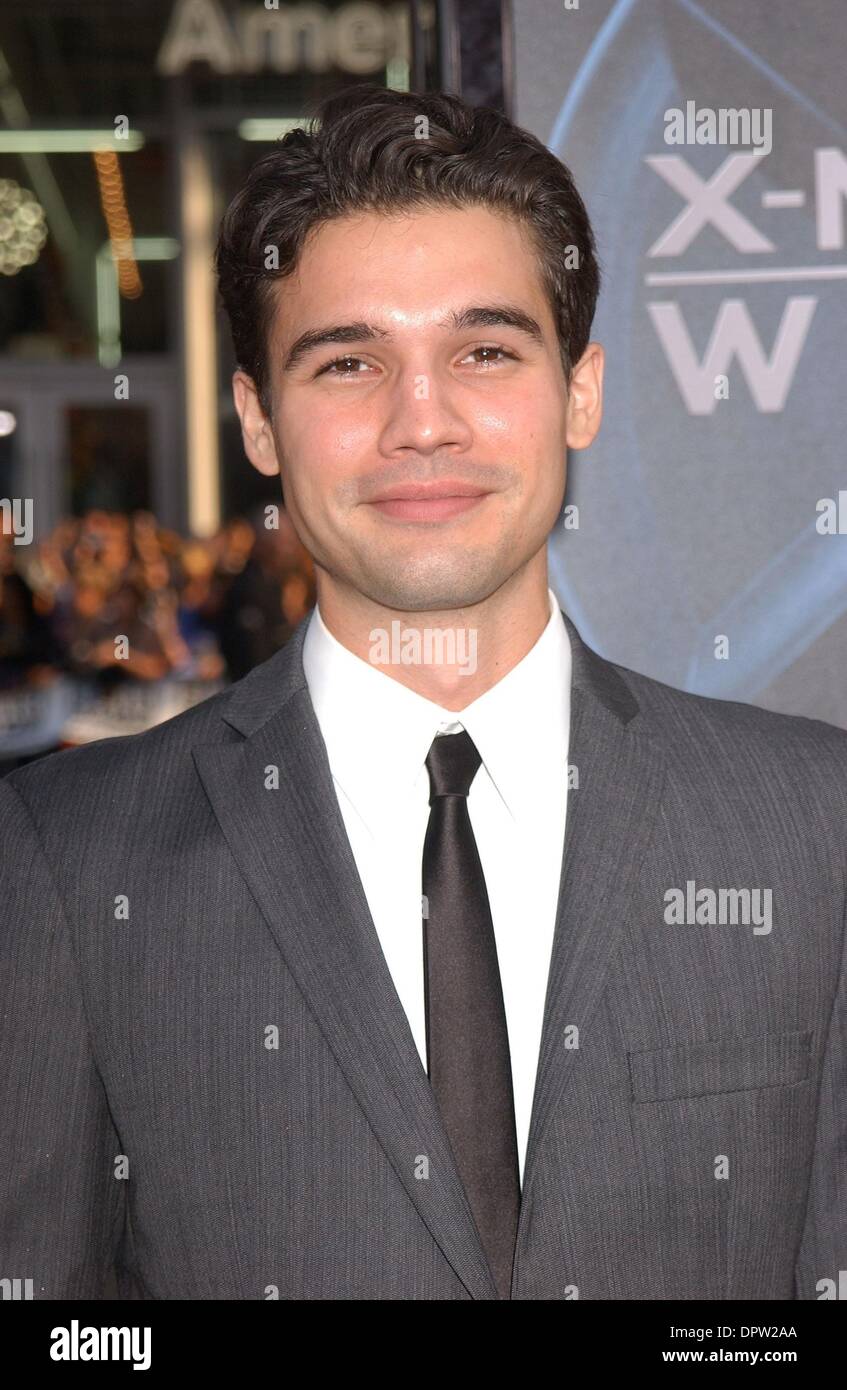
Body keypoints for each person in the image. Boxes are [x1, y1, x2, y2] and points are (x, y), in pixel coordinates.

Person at [1, 85, 844, 1302]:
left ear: (582, 391)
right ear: (258, 421)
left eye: (485, 351)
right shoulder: (70, 864)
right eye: (348, 362)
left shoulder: (810, 825)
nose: (422, 420)